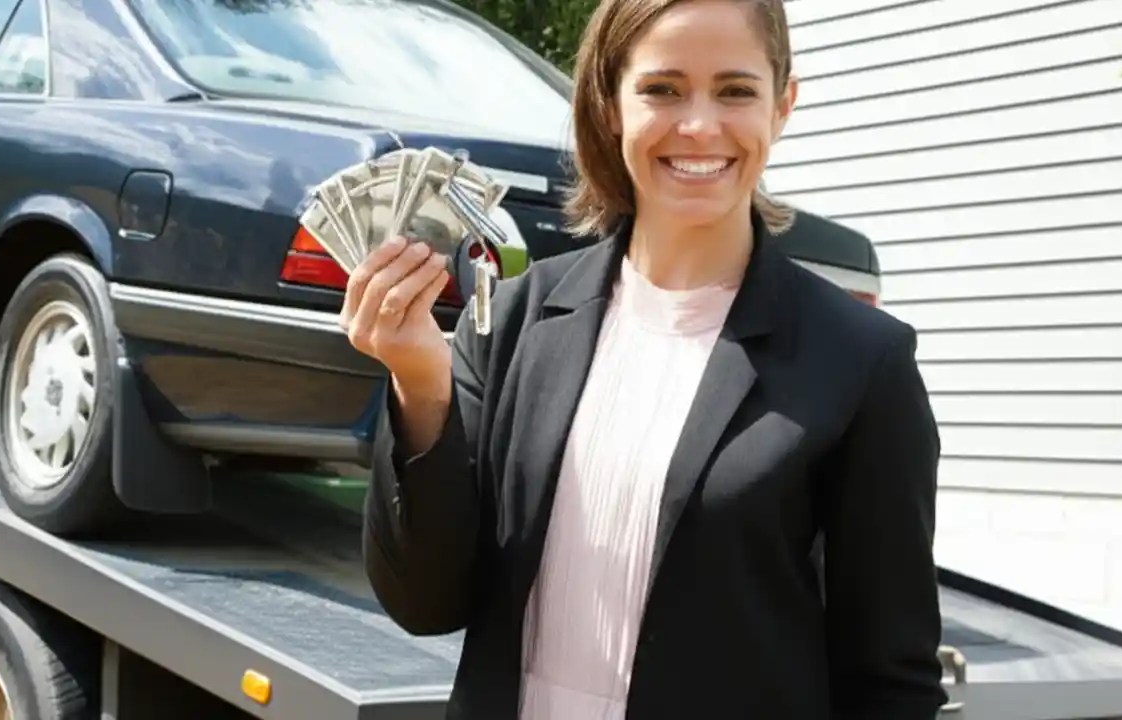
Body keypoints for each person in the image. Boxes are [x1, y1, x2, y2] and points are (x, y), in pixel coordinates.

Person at [340, 0, 948, 717]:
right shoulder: (513, 320)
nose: (699, 125)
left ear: (783, 105)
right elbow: (426, 602)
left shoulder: (861, 361)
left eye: (735, 90)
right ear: (609, 104)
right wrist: (419, 383)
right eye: (662, 89)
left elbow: (891, 682)